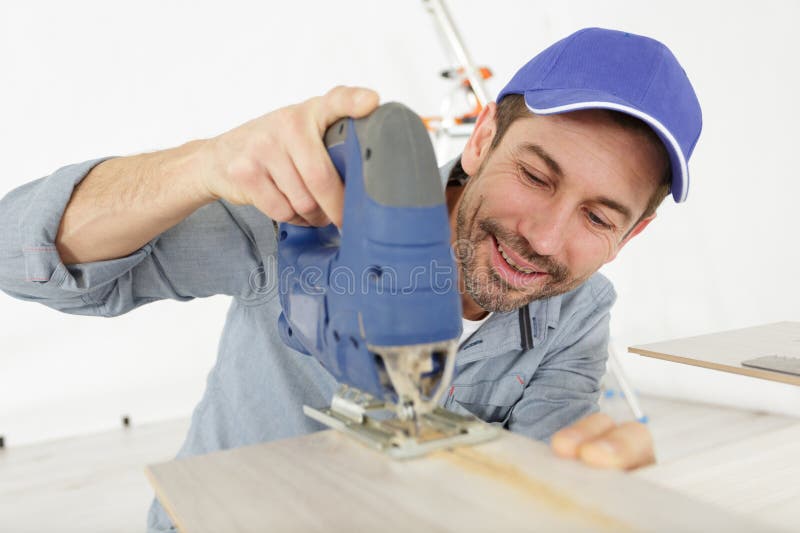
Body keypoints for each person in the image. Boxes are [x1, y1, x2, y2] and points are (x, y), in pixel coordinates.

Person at [0, 27, 701, 531]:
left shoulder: (578, 311)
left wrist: (591, 496)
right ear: (483, 136)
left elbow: (545, 484)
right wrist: (202, 164)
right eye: (535, 174)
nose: (544, 238)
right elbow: (19, 257)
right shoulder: (309, 206)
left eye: (598, 217)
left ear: (630, 234)